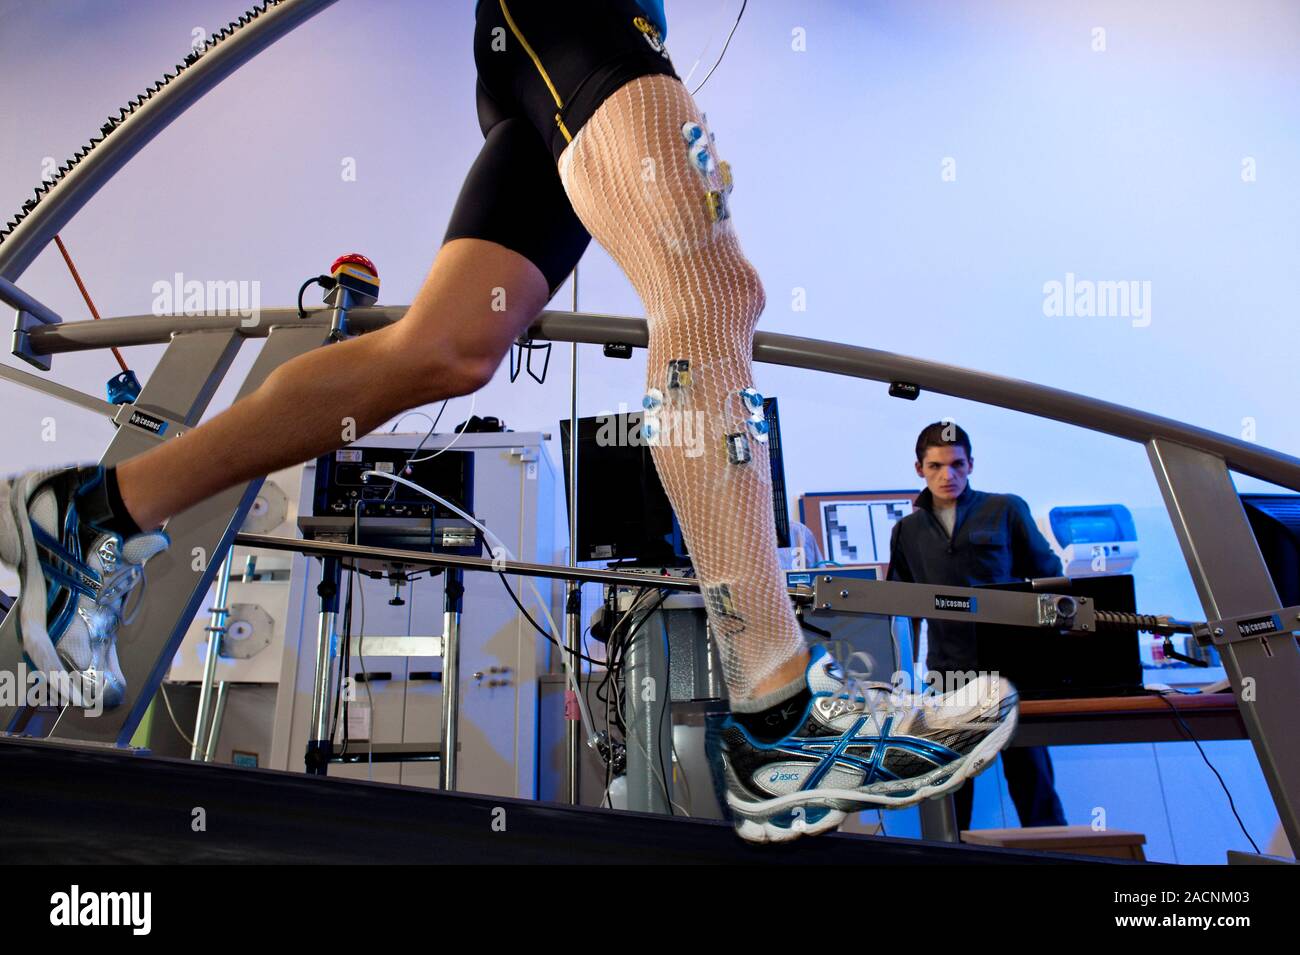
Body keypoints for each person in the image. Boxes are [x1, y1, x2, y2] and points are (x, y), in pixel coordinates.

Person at [0, 1, 1016, 843]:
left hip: (552, 50)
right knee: (709, 290)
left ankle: (96, 505)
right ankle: (778, 715)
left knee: (444, 349)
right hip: (572, 14)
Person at [887, 421, 1068, 832]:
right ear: (919, 468)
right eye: (935, 466)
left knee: (1033, 781)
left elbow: (1049, 583)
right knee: (952, 787)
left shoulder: (1005, 509)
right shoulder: (908, 531)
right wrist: (899, 681)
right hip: (949, 675)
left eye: (956, 465)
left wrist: (1052, 664)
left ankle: (1056, 855)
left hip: (1014, 673)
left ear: (971, 465)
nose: (946, 476)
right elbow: (900, 610)